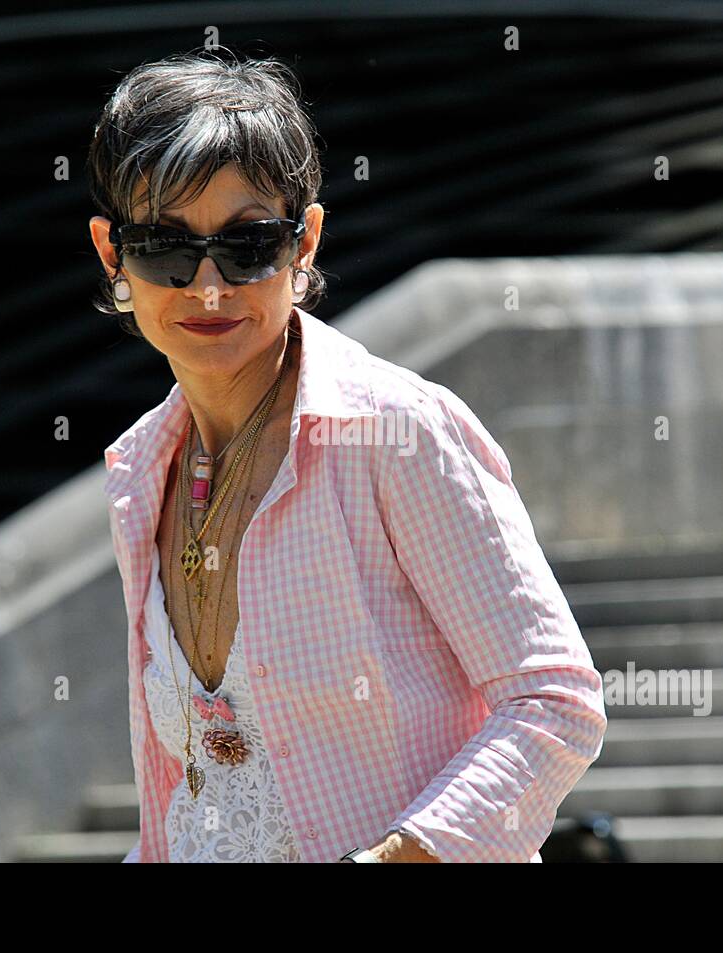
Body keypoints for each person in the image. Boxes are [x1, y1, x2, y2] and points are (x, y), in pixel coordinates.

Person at [87, 47, 606, 863]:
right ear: (112, 256)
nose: (209, 285)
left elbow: (554, 701)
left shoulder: (398, 431)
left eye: (249, 243)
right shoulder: (141, 470)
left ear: (307, 241)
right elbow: (185, 798)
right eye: (165, 247)